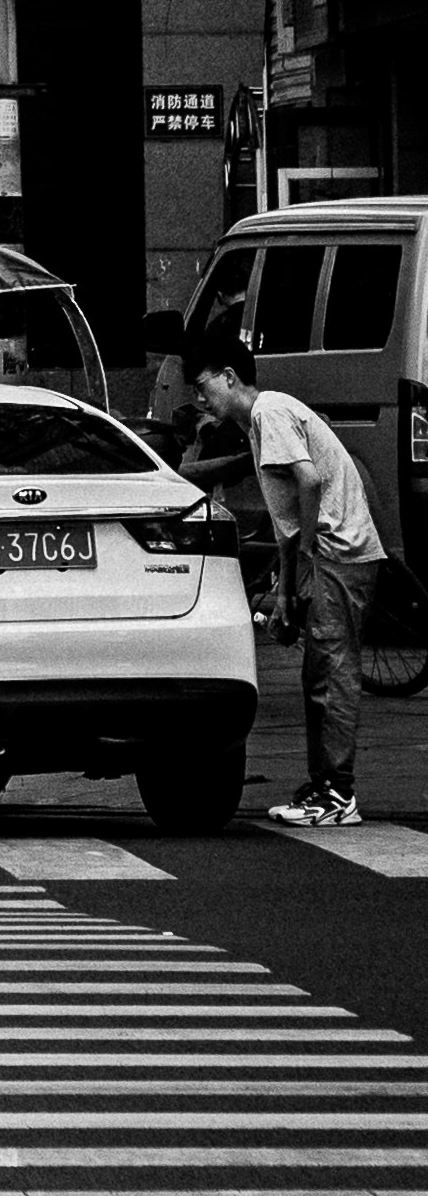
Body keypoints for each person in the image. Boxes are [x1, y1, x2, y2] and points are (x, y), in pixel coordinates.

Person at [188, 321, 385, 828]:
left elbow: (309, 481)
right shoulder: (265, 419)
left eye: (203, 385)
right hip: (333, 554)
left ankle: (338, 794)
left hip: (339, 555)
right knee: (318, 672)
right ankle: (323, 786)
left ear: (230, 377)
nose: (200, 399)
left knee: (333, 674)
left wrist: (307, 562)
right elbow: (286, 526)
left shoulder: (269, 411)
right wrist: (286, 588)